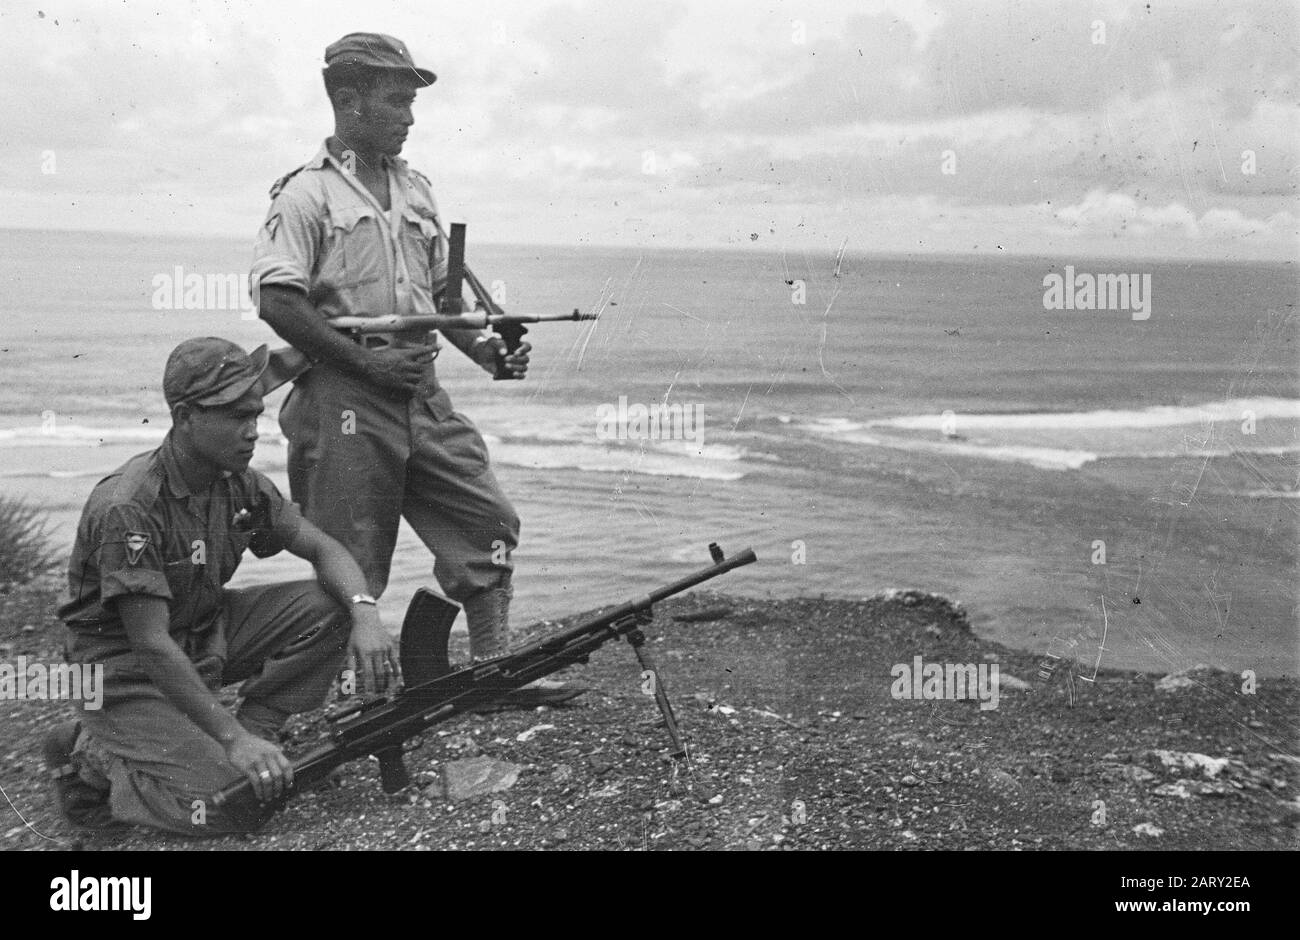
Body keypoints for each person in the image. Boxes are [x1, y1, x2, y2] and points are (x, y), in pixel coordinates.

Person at [250, 32, 578, 705]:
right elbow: (278, 302)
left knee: (485, 520)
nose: (410, 116)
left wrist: (487, 352)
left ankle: (492, 672)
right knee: (351, 555)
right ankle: (349, 703)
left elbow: (444, 301)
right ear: (349, 99)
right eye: (397, 100)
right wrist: (368, 370)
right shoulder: (303, 197)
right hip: (343, 395)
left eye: (410, 102)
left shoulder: (418, 191)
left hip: (418, 392)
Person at [48, 337, 400, 835]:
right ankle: (93, 756)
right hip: (122, 673)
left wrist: (365, 611)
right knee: (231, 806)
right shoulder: (130, 506)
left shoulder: (237, 481)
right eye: (235, 416)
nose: (252, 431)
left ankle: (259, 737)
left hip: (199, 636)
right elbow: (150, 644)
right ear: (186, 415)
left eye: (256, 413)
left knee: (332, 603)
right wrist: (230, 740)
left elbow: (324, 549)